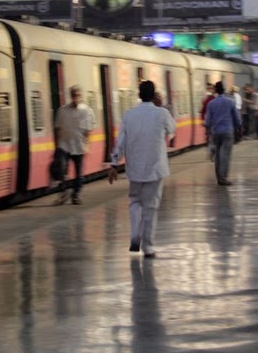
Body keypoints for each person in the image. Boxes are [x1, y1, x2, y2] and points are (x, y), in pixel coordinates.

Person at [108, 80, 177, 258]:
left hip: (135, 169)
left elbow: (120, 142)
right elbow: (172, 129)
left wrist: (114, 164)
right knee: (151, 206)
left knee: (135, 203)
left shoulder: (129, 115)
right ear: (154, 96)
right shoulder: (162, 113)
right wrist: (162, 107)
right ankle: (148, 246)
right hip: (156, 168)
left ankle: (135, 240)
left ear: (139, 95)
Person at [52, 85, 95, 204]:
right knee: (61, 169)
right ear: (70, 96)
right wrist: (56, 145)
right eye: (73, 95)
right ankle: (63, 192)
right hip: (64, 145)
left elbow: (89, 130)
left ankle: (75, 195)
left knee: (79, 174)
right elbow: (57, 128)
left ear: (80, 96)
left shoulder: (87, 111)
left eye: (77, 95)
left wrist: (87, 145)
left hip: (79, 146)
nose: (75, 97)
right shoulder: (62, 110)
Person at [204, 80, 241, 185]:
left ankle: (219, 177)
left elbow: (207, 121)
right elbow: (237, 118)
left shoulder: (211, 104)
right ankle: (223, 177)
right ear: (224, 90)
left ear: (216, 91)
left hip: (216, 132)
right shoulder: (230, 102)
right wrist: (239, 129)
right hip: (228, 132)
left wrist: (208, 133)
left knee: (218, 155)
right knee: (225, 155)